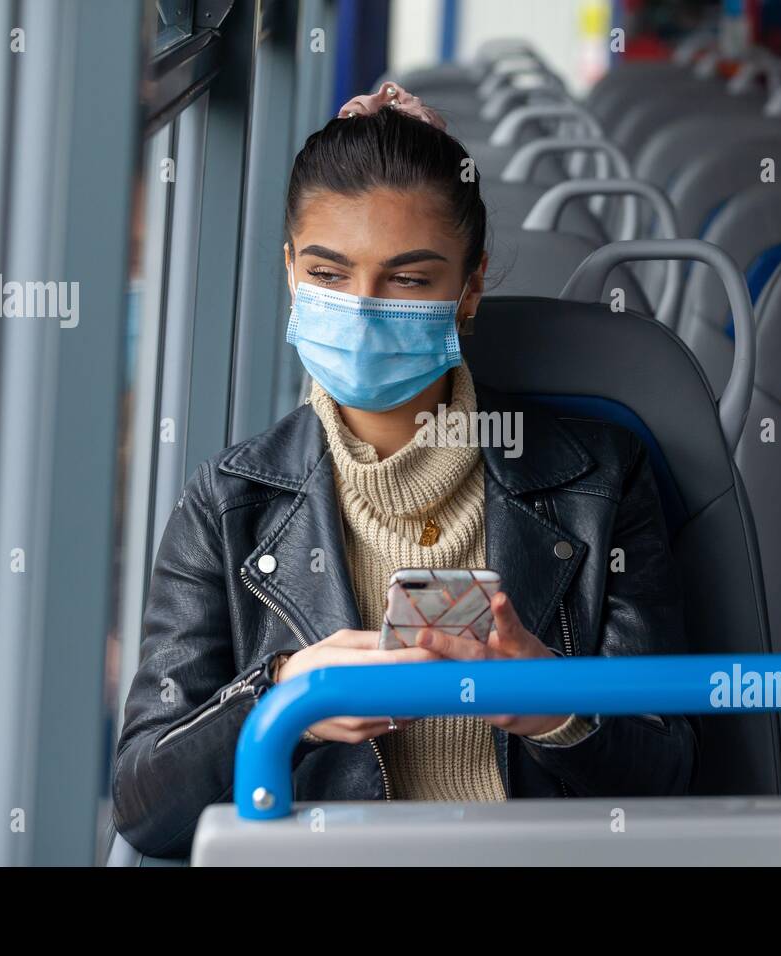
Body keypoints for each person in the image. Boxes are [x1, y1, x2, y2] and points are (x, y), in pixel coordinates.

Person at [113, 84, 696, 858]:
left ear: (471, 287)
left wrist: (552, 704)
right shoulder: (229, 506)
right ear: (290, 273)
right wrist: (284, 696)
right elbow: (146, 801)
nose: (361, 308)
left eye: (409, 280)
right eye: (328, 275)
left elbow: (670, 773)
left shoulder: (600, 481)